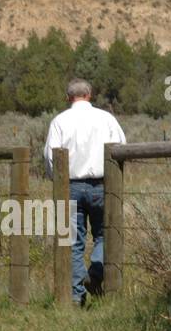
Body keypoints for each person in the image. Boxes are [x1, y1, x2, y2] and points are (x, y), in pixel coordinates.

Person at [44, 79, 126, 305]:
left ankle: (76, 296)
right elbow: (121, 146)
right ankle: (96, 275)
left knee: (73, 242)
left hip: (69, 187)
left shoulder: (59, 121)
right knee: (106, 234)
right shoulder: (106, 118)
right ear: (89, 94)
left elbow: (51, 156)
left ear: (68, 97)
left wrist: (57, 181)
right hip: (102, 185)